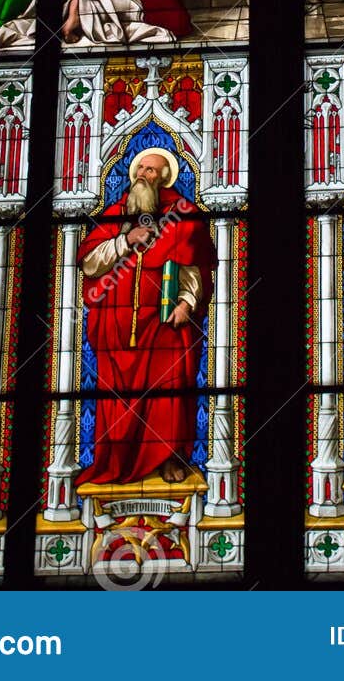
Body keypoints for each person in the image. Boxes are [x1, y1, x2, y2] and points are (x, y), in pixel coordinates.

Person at [78, 147, 216, 485]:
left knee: (168, 392)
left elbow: (195, 267)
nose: (144, 174)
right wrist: (125, 240)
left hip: (164, 326)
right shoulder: (115, 214)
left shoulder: (182, 215)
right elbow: (90, 263)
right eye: (140, 167)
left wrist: (186, 302)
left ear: (164, 177)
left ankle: (170, 458)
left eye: (152, 170)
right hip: (115, 326)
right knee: (115, 396)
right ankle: (117, 461)